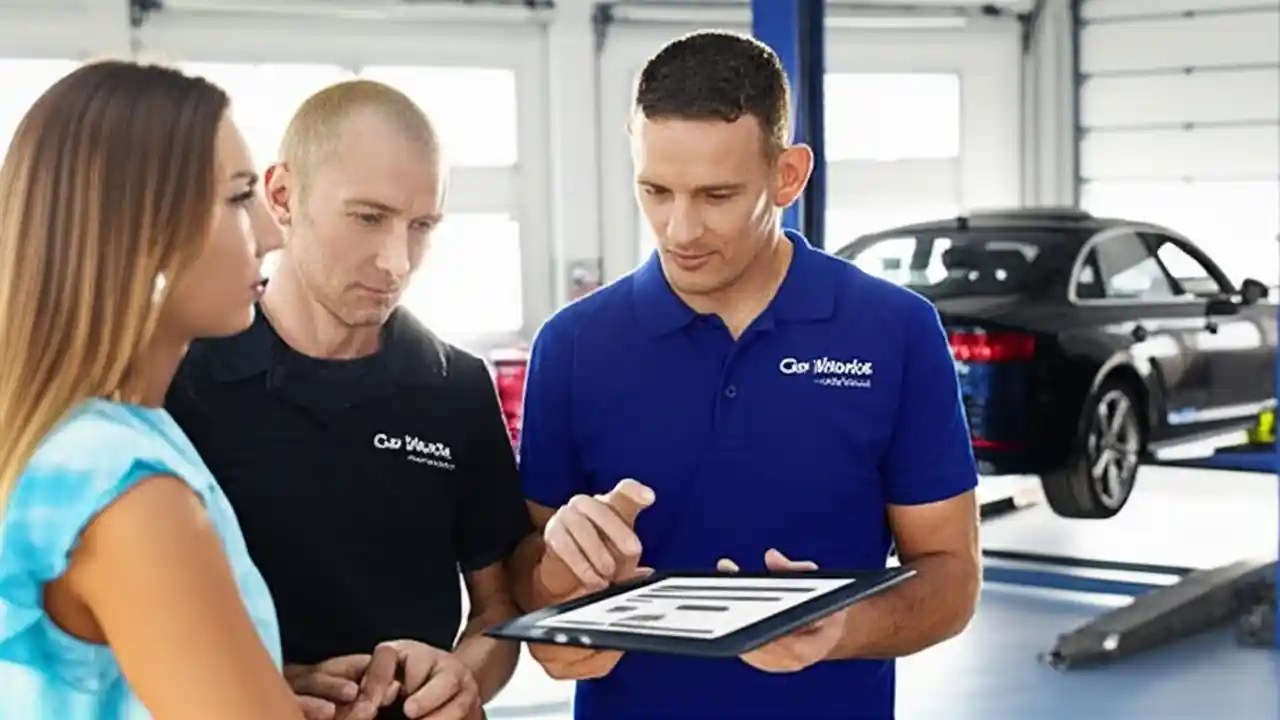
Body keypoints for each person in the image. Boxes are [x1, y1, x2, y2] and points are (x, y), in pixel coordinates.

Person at [509, 30, 982, 719]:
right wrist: (557, 586)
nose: (679, 229)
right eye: (655, 190)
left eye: (717, 195)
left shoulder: (894, 331)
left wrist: (842, 629)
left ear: (787, 175)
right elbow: (526, 574)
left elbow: (951, 576)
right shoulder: (574, 345)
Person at [165, 79, 531, 720]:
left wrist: (461, 678)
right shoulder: (179, 382)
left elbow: (497, 610)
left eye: (422, 226)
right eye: (368, 217)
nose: (396, 261)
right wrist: (259, 690)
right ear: (282, 195)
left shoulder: (458, 388)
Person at [0, 60, 301, 719]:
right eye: (238, 196)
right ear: (140, 229)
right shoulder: (123, 483)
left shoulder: (84, 440)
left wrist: (274, 685)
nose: (274, 234)